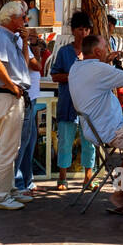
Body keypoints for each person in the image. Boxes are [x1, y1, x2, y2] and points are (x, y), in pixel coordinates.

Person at [67, 32, 123, 213]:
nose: (109, 49)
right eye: (106, 47)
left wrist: (106, 62)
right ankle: (120, 192)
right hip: (110, 130)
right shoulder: (100, 70)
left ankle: (122, 188)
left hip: (94, 129)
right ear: (98, 52)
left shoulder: (76, 67)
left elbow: (95, 80)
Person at [0, 0, 34, 210]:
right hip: (9, 96)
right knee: (7, 148)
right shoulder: (1, 38)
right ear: (12, 19)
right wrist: (12, 86)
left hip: (14, 95)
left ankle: (9, 190)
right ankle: (0, 195)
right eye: (23, 17)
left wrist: (24, 43)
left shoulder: (10, 38)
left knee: (12, 147)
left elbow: (23, 65)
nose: (26, 20)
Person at [49, 10, 96, 190]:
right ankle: (62, 178)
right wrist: (74, 76)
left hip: (89, 105)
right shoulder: (64, 52)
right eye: (79, 29)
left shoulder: (93, 52)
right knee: (65, 141)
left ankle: (88, 177)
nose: (83, 33)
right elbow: (55, 76)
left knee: (89, 142)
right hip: (68, 104)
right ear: (73, 30)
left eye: (86, 29)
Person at [12, 26, 46, 201]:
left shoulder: (22, 42)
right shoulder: (19, 42)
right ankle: (18, 182)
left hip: (31, 96)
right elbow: (36, 65)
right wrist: (35, 50)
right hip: (27, 96)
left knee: (30, 139)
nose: (34, 38)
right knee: (23, 141)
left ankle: (27, 179)